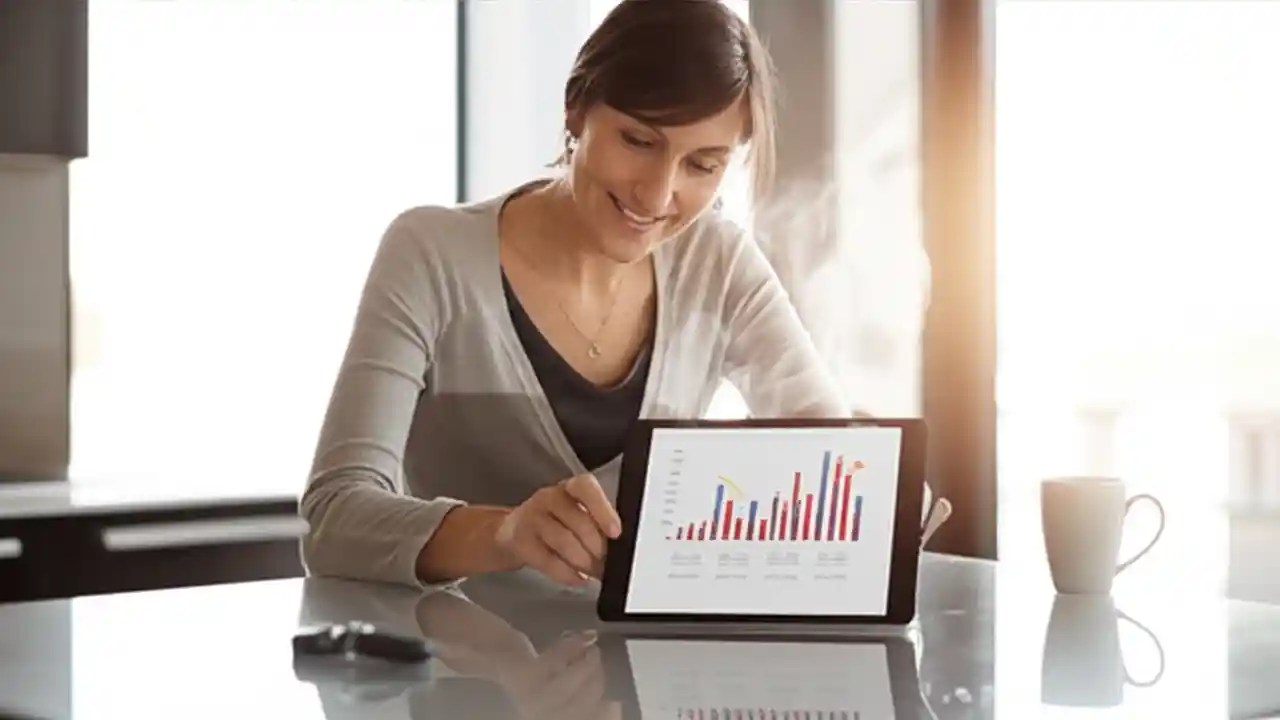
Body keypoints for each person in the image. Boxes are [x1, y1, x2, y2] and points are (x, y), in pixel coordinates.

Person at [300, 0, 852, 591]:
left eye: (702, 165)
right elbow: (334, 517)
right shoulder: (432, 253)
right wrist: (505, 534)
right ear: (576, 108)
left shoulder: (719, 263)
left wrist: (870, 489)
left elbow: (833, 470)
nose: (657, 194)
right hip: (451, 646)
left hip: (651, 651)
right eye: (638, 141)